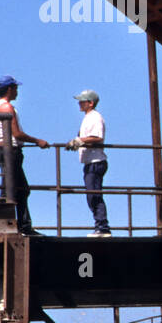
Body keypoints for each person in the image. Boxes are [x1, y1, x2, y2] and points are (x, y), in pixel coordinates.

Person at [0, 75, 48, 235]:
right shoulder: (6, 108)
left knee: (17, 188)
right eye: (16, 88)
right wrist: (37, 141)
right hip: (10, 151)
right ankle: (17, 225)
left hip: (4, 150)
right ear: (10, 89)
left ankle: (20, 225)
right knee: (15, 189)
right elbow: (16, 133)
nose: (17, 92)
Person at [66, 89, 110, 236]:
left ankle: (102, 227)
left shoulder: (95, 117)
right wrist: (77, 142)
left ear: (90, 103)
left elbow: (97, 137)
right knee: (92, 194)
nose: (79, 103)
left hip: (95, 161)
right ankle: (100, 226)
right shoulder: (88, 118)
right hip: (90, 161)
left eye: (82, 101)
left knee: (94, 194)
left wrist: (80, 141)